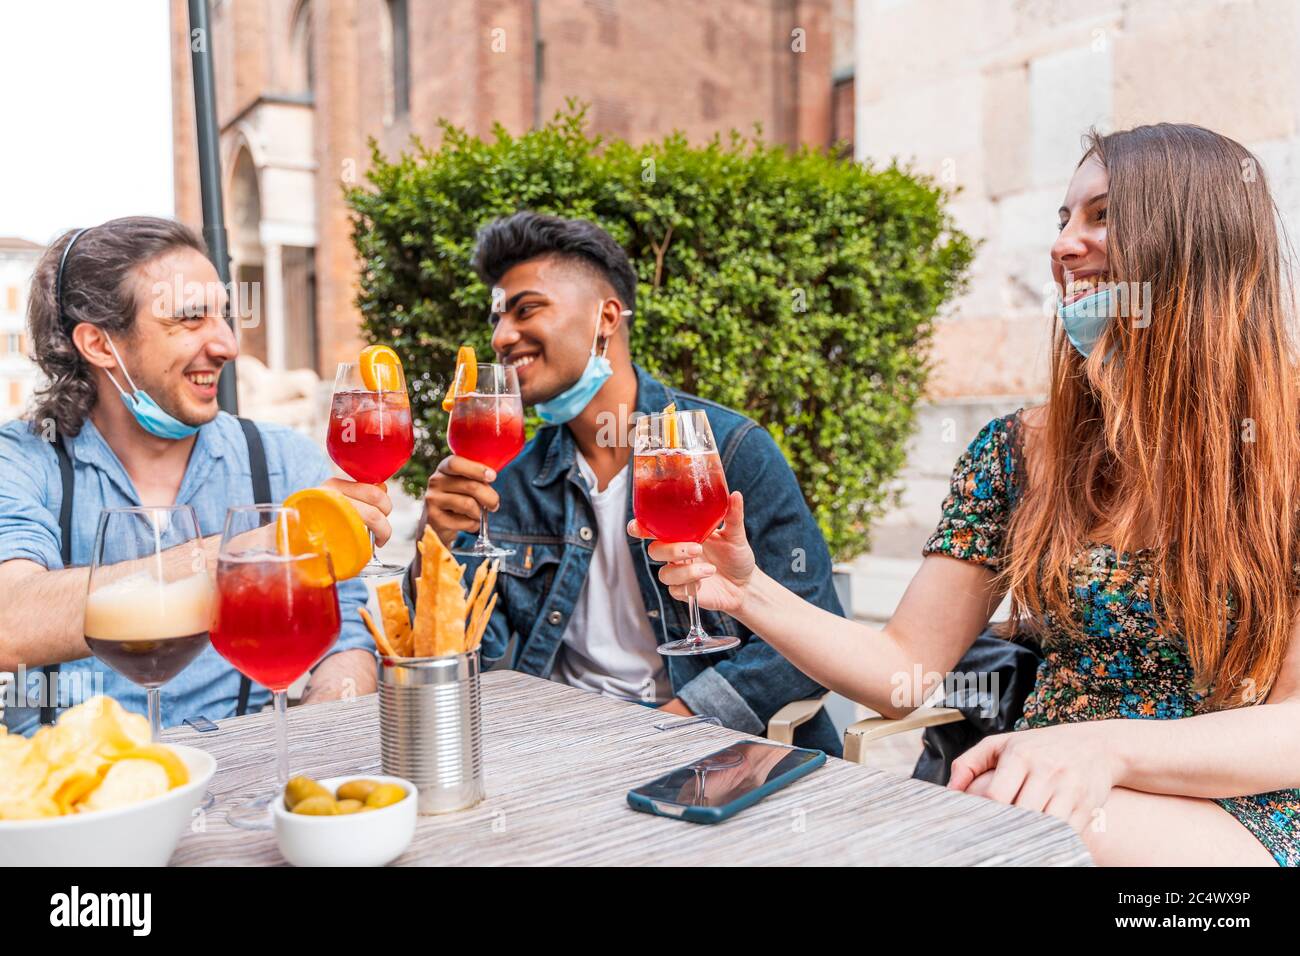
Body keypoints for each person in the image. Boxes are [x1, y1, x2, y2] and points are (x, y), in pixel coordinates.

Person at [634, 124, 1300, 866]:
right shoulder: (1018, 453)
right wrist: (747, 590)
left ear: (1196, 241)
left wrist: (1101, 752)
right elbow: (902, 671)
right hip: (1038, 799)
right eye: (1063, 220)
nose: (1063, 246)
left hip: (1237, 810)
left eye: (1102, 215)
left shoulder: (1286, 451)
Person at [415, 211, 844, 753]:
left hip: (714, 747)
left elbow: (816, 631)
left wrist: (671, 723)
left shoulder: (727, 451)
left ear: (606, 317)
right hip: (561, 742)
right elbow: (468, 654)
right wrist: (434, 550)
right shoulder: (510, 481)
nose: (501, 336)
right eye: (497, 318)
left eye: (526, 310)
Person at [0, 217, 391, 734]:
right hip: (77, 795)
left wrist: (310, 739)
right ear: (98, 344)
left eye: (223, 317)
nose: (227, 344)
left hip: (241, 788)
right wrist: (268, 546)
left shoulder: (282, 459)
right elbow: (11, 620)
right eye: (189, 318)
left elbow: (345, 643)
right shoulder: (26, 459)